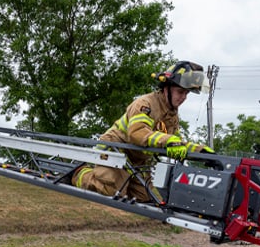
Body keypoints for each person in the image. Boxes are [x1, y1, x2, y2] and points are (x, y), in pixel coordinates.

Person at [71, 60, 213, 202]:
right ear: (166, 88)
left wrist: (200, 152)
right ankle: (78, 173)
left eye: (186, 93)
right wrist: (168, 141)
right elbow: (137, 133)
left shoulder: (172, 116)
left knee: (145, 198)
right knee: (111, 191)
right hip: (116, 148)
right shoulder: (145, 103)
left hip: (138, 158)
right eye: (180, 92)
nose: (183, 98)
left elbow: (175, 142)